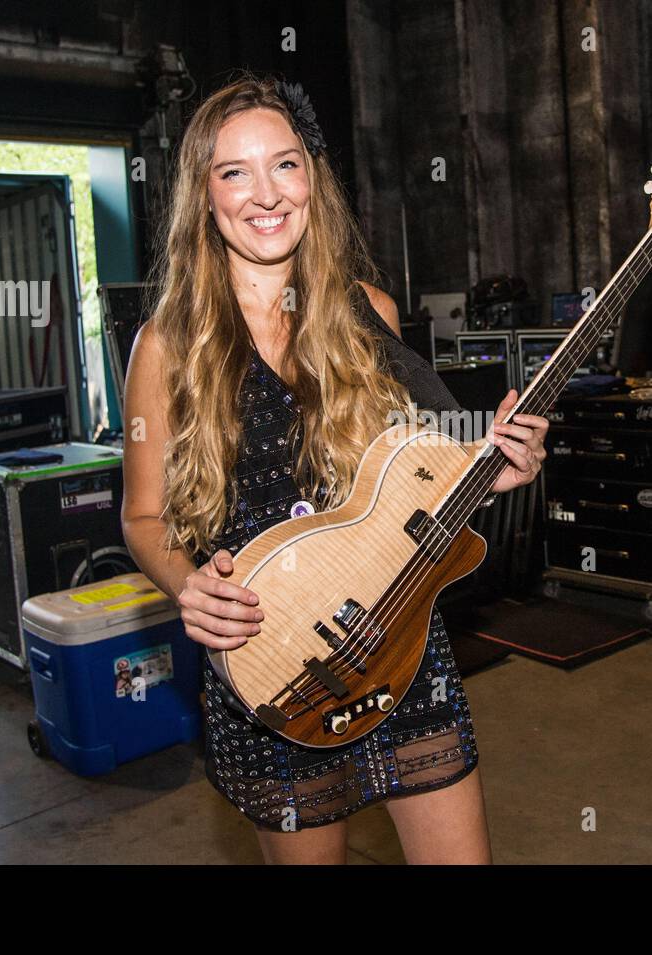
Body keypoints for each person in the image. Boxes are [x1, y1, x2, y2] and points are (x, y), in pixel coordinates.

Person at [121, 72, 548, 864]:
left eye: (284, 164)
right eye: (234, 172)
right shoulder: (167, 344)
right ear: (203, 196)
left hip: (402, 645)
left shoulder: (370, 315)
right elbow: (142, 517)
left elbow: (418, 478)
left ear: (311, 177)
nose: (265, 193)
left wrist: (493, 469)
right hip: (273, 666)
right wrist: (190, 587)